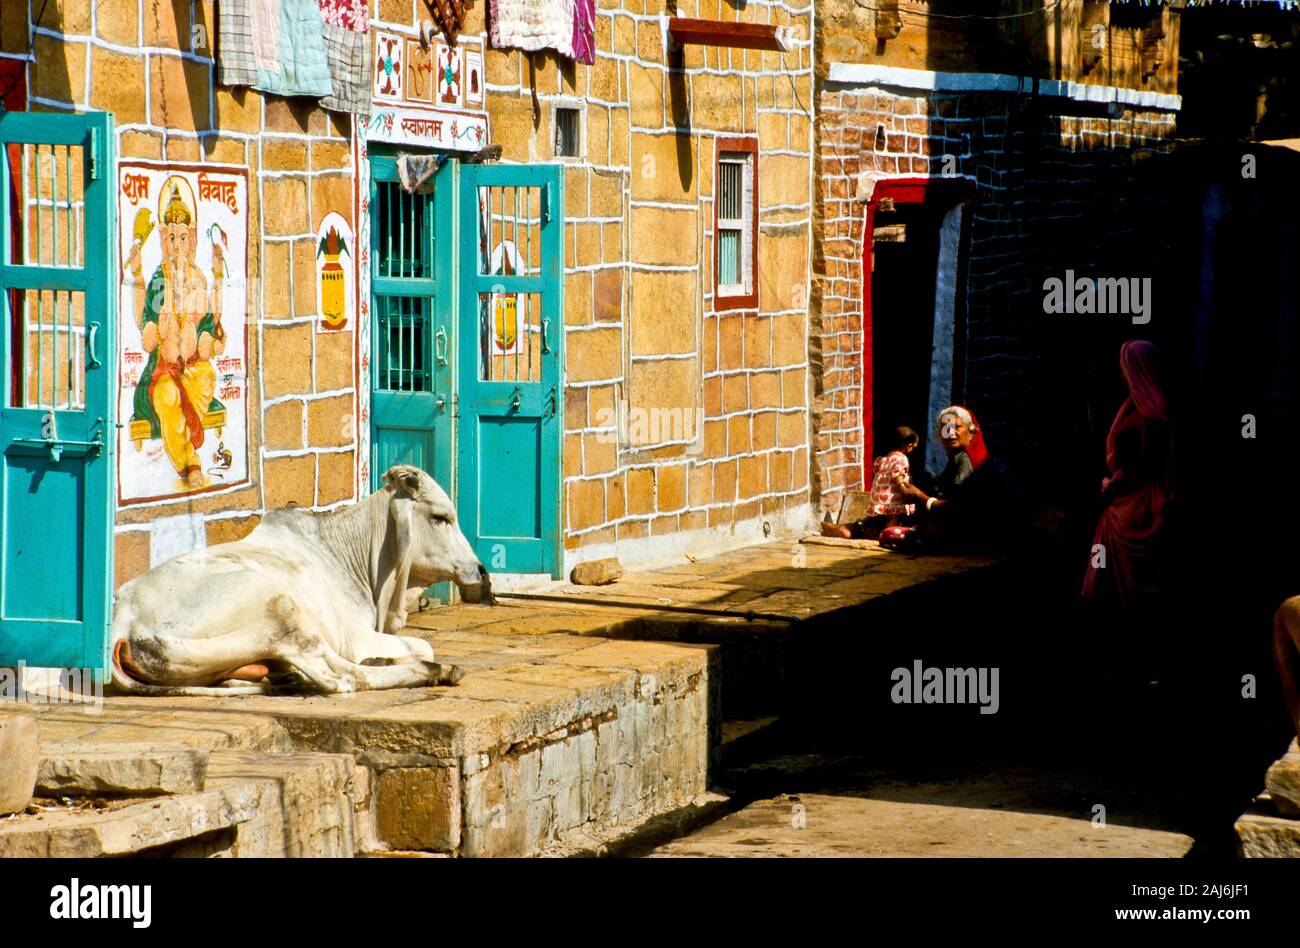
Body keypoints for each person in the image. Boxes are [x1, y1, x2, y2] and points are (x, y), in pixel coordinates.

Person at [125, 177, 226, 489]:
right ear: (164, 240)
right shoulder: (159, 279)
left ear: (191, 239)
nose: (177, 246)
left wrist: (218, 278)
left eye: (183, 239)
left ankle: (188, 441)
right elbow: (146, 334)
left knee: (206, 378)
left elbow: (212, 330)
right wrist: (157, 328)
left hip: (194, 371)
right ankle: (190, 464)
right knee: (168, 396)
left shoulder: (198, 279)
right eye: (171, 239)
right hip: (164, 372)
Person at [1080, 340, 1175, 613]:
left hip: (1137, 506)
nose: (1122, 371)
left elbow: (1146, 466)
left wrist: (1113, 484)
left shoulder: (1151, 414)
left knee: (1128, 592)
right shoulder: (1133, 406)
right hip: (1122, 506)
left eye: (1126, 364)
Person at [886, 404, 1003, 552]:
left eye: (957, 427)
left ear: (972, 433)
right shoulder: (958, 457)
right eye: (946, 429)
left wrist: (920, 497)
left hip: (969, 535)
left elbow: (956, 507)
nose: (951, 433)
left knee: (891, 535)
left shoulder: (965, 459)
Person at [820, 427, 920, 540]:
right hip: (893, 500)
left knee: (872, 522)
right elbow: (897, 475)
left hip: (878, 499)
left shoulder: (883, 459)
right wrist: (903, 489)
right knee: (893, 519)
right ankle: (887, 536)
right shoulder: (901, 459)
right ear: (909, 446)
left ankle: (849, 531)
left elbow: (878, 472)